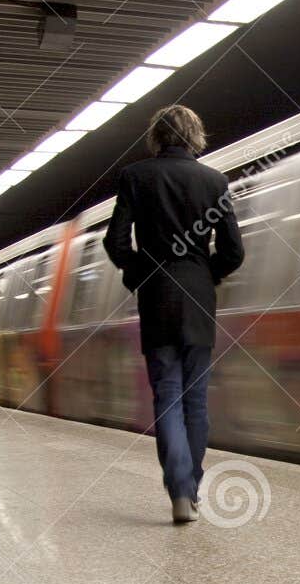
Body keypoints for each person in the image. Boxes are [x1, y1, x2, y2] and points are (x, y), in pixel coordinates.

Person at [103, 105, 244, 523]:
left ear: (157, 137)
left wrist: (140, 274)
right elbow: (234, 251)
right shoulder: (215, 181)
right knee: (196, 402)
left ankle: (180, 490)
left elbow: (115, 243)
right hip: (199, 299)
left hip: (157, 295)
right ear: (195, 136)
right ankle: (192, 490)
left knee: (167, 396)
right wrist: (205, 274)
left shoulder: (135, 177)